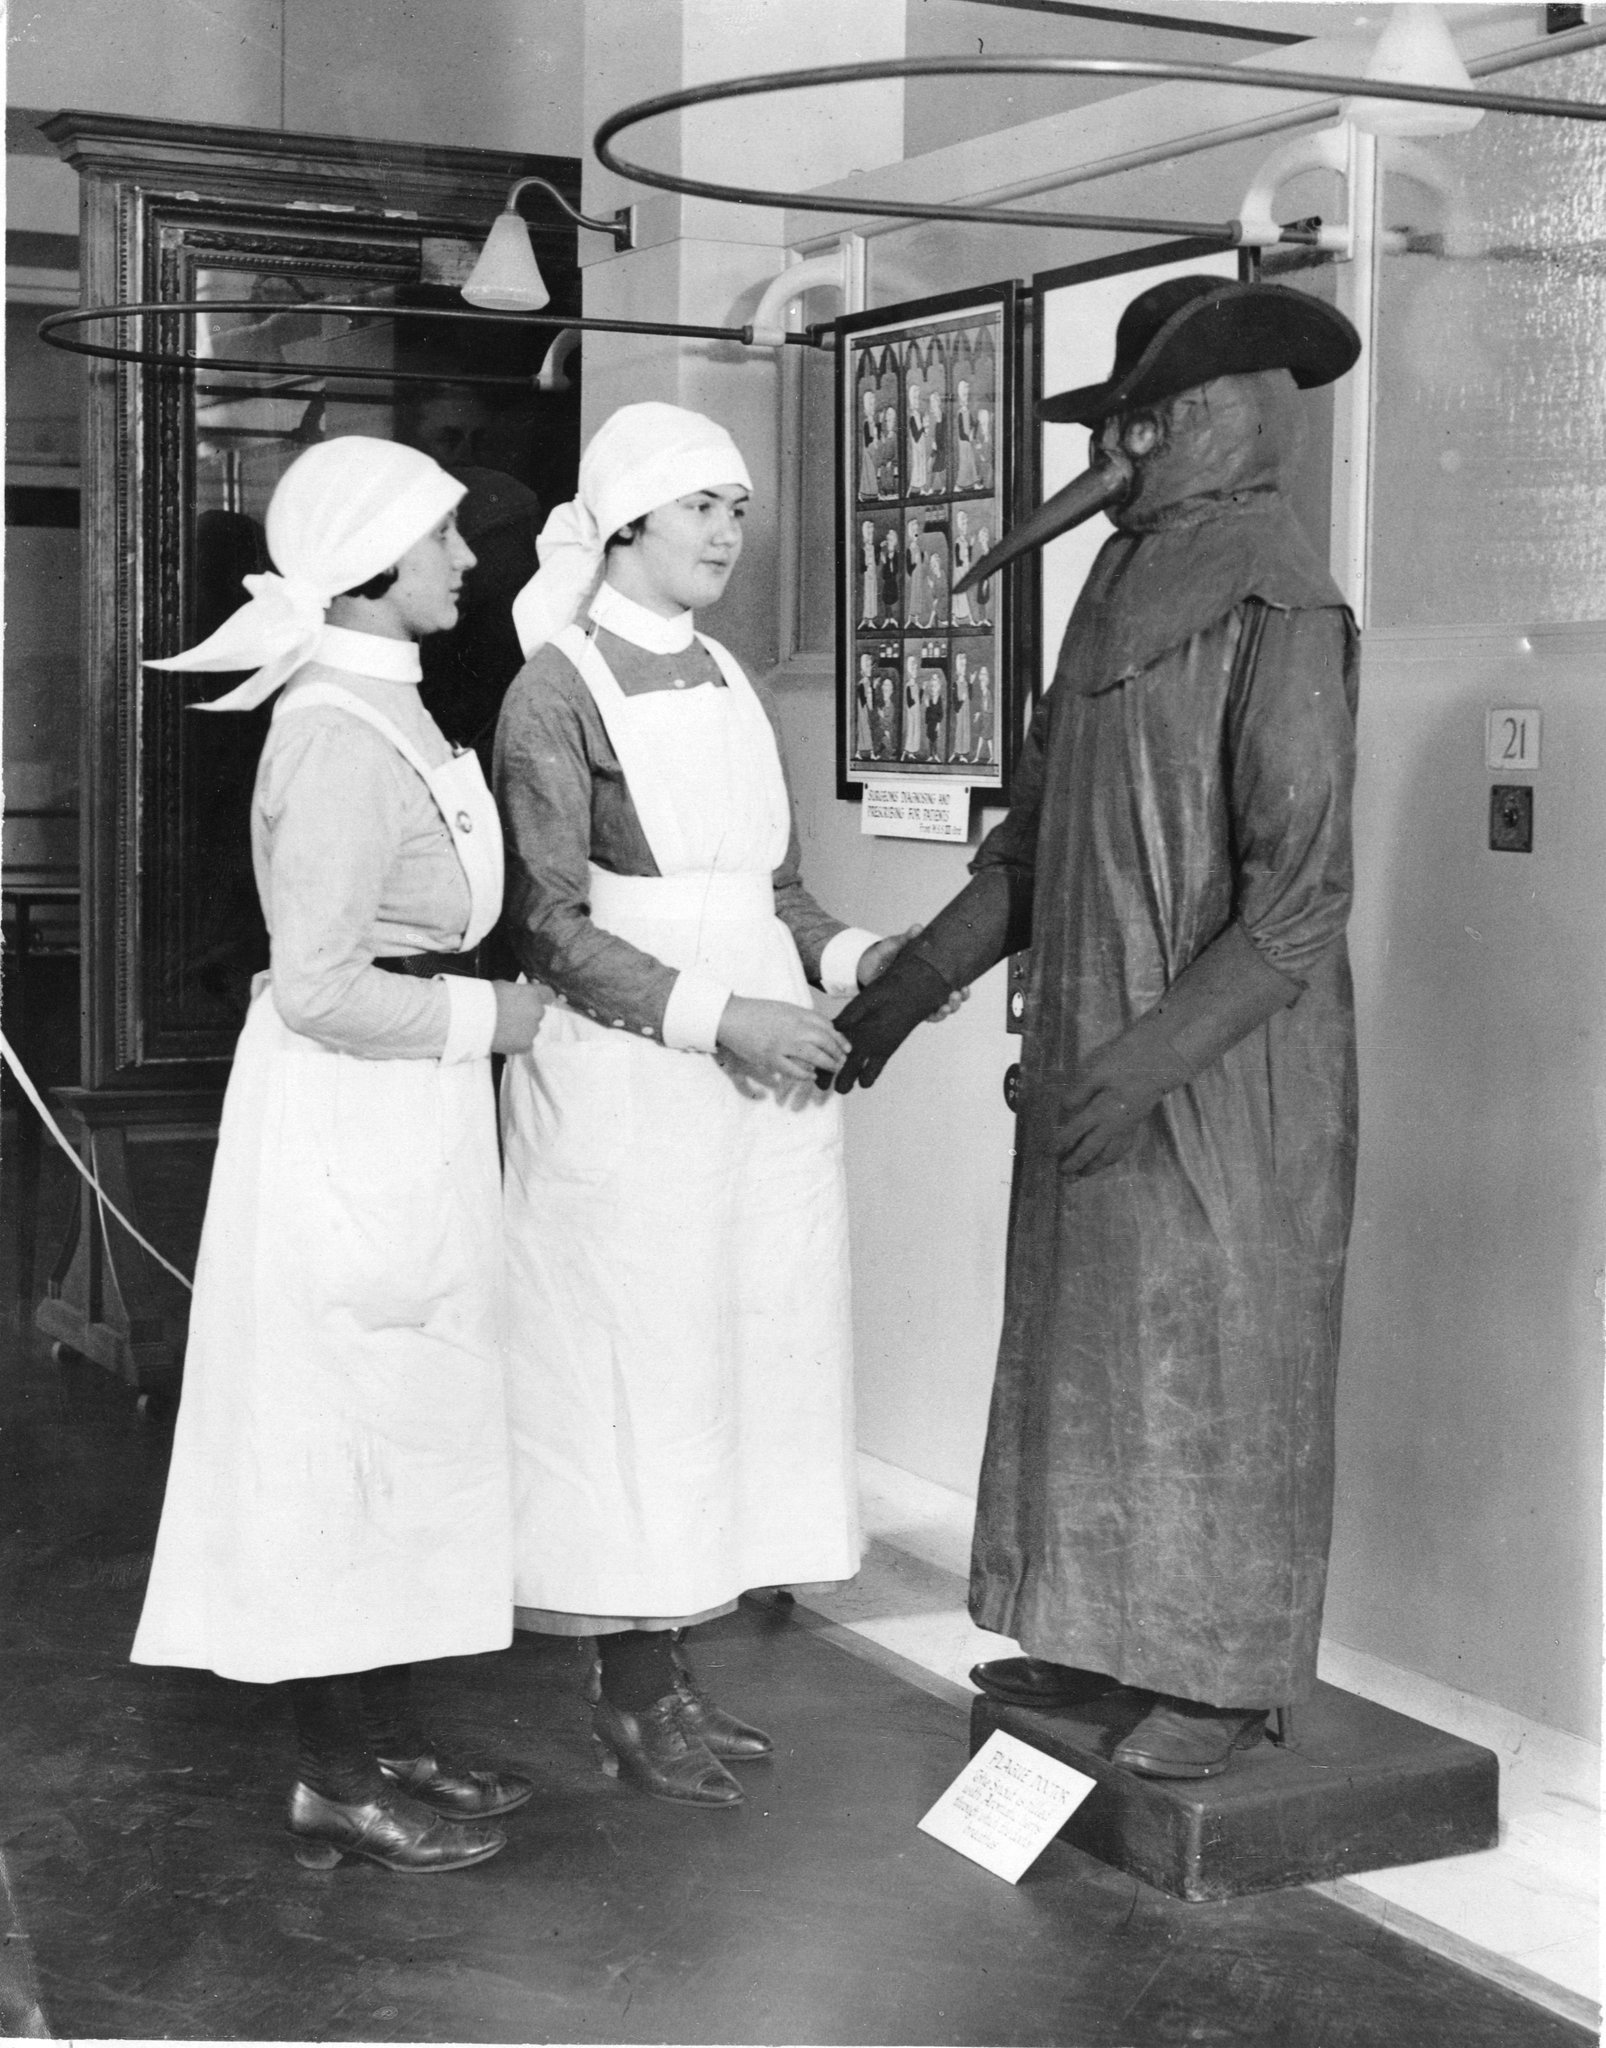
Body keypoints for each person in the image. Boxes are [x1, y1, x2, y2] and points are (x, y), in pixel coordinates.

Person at [829, 277, 1362, 1781]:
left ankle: (1217, 1671)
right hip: (1100, 1058)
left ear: (1223, 417)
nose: (1118, 452)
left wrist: (1139, 1063)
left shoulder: (1280, 600)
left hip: (1225, 1080)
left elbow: (1296, 906)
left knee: (1222, 1348)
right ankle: (1098, 1633)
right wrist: (905, 988)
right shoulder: (1119, 585)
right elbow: (1035, 839)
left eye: (1142, 422)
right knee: (1092, 1343)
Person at [494, 402, 953, 1809]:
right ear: (624, 517)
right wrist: (723, 1018)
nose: (726, 535)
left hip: (754, 1091)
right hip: (633, 1075)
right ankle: (629, 1691)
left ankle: (675, 1673)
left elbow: (776, 894)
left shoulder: (733, 679)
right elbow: (551, 926)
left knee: (734, 1362)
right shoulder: (551, 691)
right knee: (633, 1374)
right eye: (701, 507)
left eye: (739, 511)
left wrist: (863, 961)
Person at [130, 436, 547, 1872]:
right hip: (346, 1110)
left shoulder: (397, 715)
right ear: (372, 567)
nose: (467, 562)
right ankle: (330, 1771)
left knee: (406, 1422)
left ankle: (381, 1736)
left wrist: (470, 1022)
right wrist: (495, 1014)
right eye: (443, 541)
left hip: (405, 1104)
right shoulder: (329, 732)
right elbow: (315, 985)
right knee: (338, 1431)